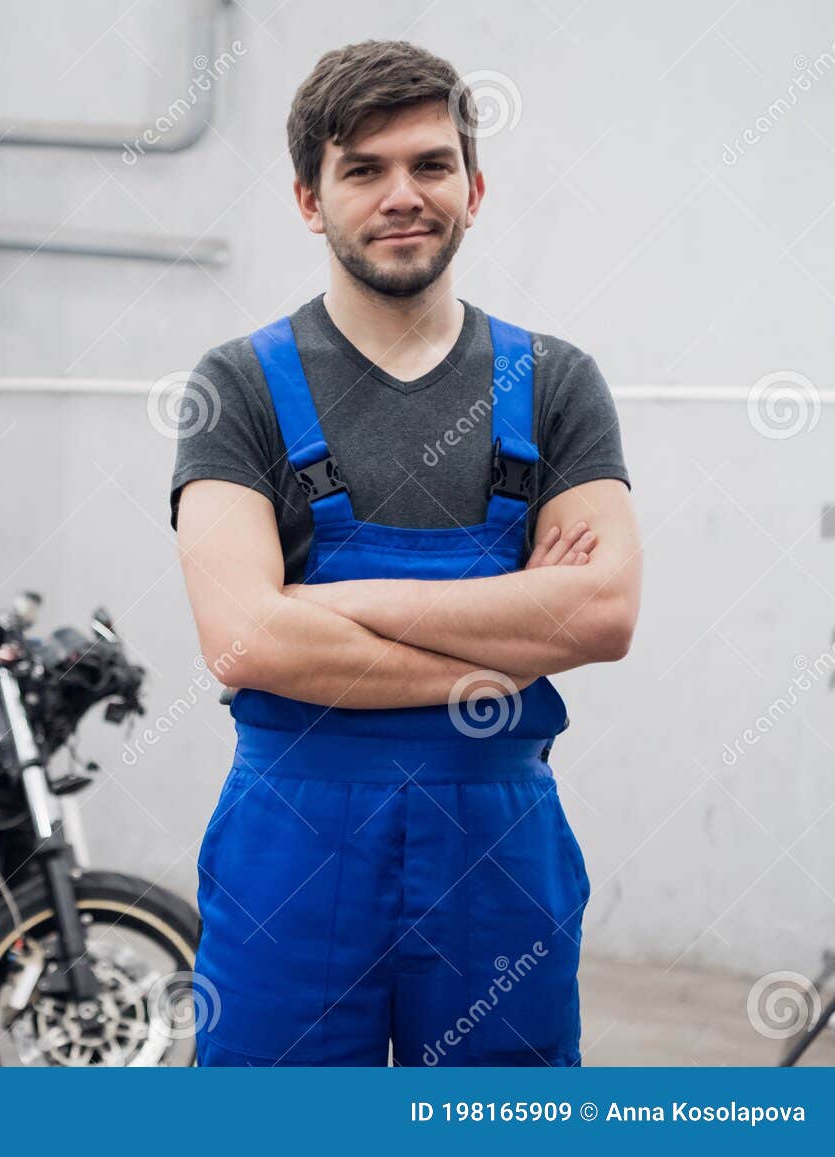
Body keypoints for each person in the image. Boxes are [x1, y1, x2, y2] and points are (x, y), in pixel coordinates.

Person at [170, 39, 642, 1066]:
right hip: (290, 846)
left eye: (430, 165)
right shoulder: (237, 386)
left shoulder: (556, 383)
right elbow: (246, 641)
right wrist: (512, 633)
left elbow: (600, 614)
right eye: (363, 169)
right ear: (308, 198)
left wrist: (330, 607)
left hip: (496, 852)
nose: (402, 194)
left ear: (474, 189)